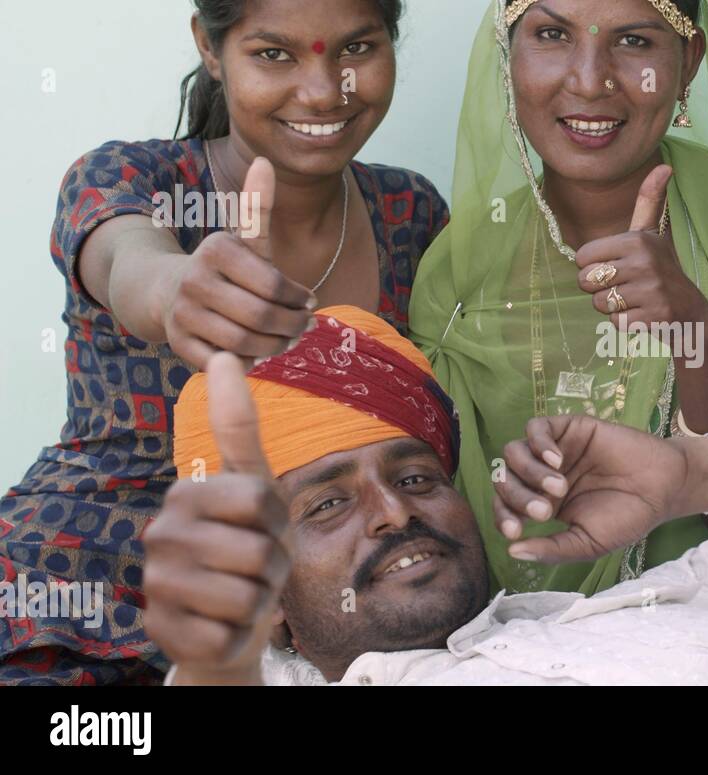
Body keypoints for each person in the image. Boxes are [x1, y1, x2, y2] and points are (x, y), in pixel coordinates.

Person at [147, 305, 708, 685]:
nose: (396, 511)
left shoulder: (670, 600)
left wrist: (692, 474)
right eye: (326, 504)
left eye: (415, 477)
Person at [0, 0, 448, 685]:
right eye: (274, 54)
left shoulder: (411, 213)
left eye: (357, 50)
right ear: (211, 51)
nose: (325, 91)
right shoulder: (134, 180)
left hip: (304, 621)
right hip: (82, 597)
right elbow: (126, 258)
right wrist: (175, 288)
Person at [407, 0, 708, 597]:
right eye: (551, 34)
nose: (590, 79)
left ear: (688, 61)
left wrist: (692, 329)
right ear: (506, 53)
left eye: (636, 42)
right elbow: (446, 537)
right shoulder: (459, 272)